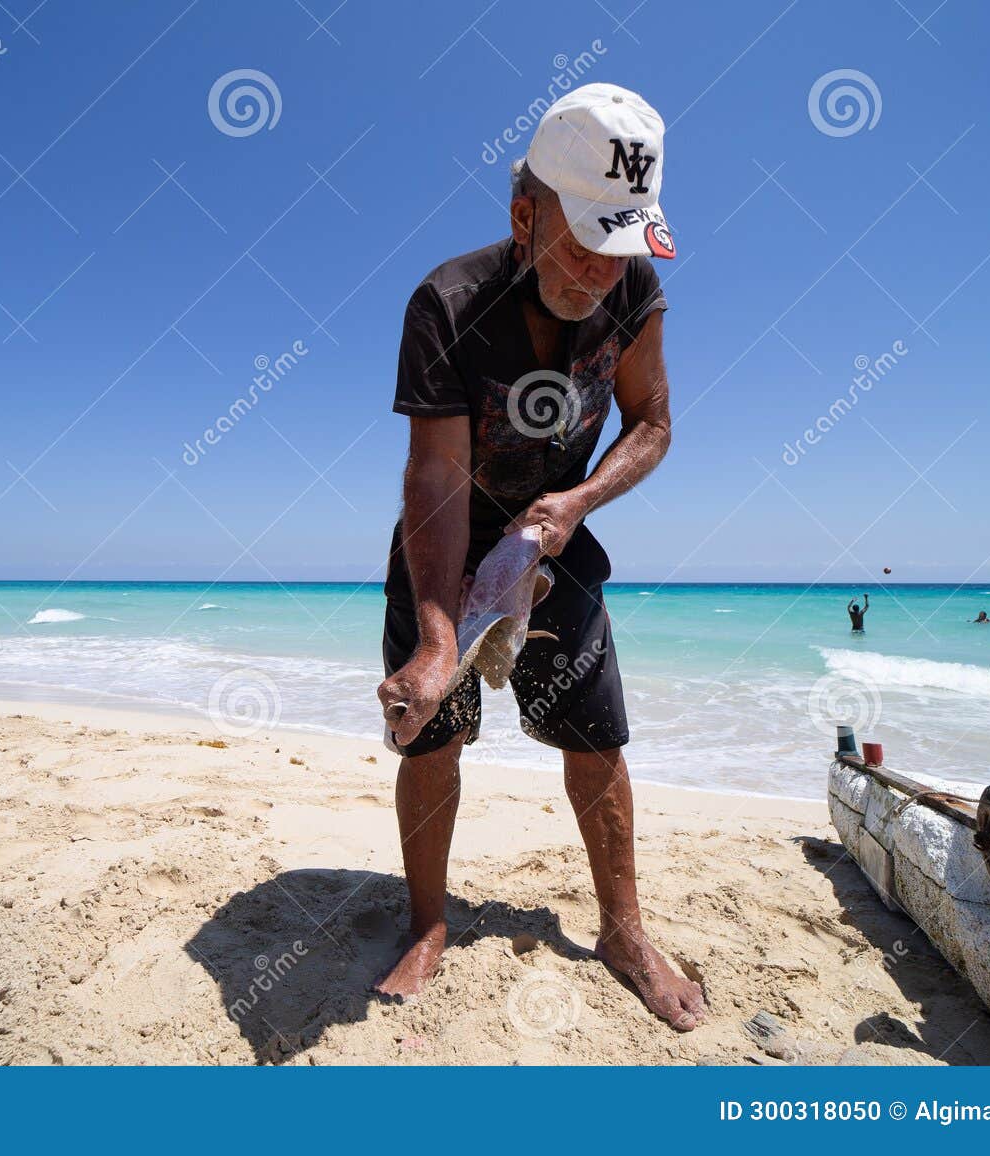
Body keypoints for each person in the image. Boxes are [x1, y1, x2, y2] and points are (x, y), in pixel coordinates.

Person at [374, 83, 705, 1031]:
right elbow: (434, 477)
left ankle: (623, 930)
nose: (606, 273)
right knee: (432, 731)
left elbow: (654, 423)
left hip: (558, 531)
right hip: (446, 534)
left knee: (596, 734)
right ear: (526, 213)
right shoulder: (447, 303)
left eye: (624, 244)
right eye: (587, 243)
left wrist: (578, 501)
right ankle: (428, 922)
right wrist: (440, 640)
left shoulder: (636, 287)